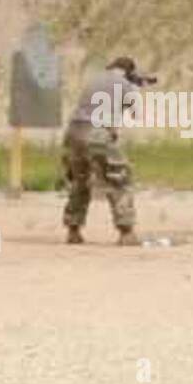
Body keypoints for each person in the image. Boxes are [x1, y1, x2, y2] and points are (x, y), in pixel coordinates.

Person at [62, 56, 145, 246]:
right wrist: (134, 90)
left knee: (79, 182)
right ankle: (126, 232)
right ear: (129, 72)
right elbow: (136, 114)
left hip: (74, 131)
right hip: (98, 132)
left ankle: (73, 230)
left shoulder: (94, 79)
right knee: (119, 181)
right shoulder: (125, 84)